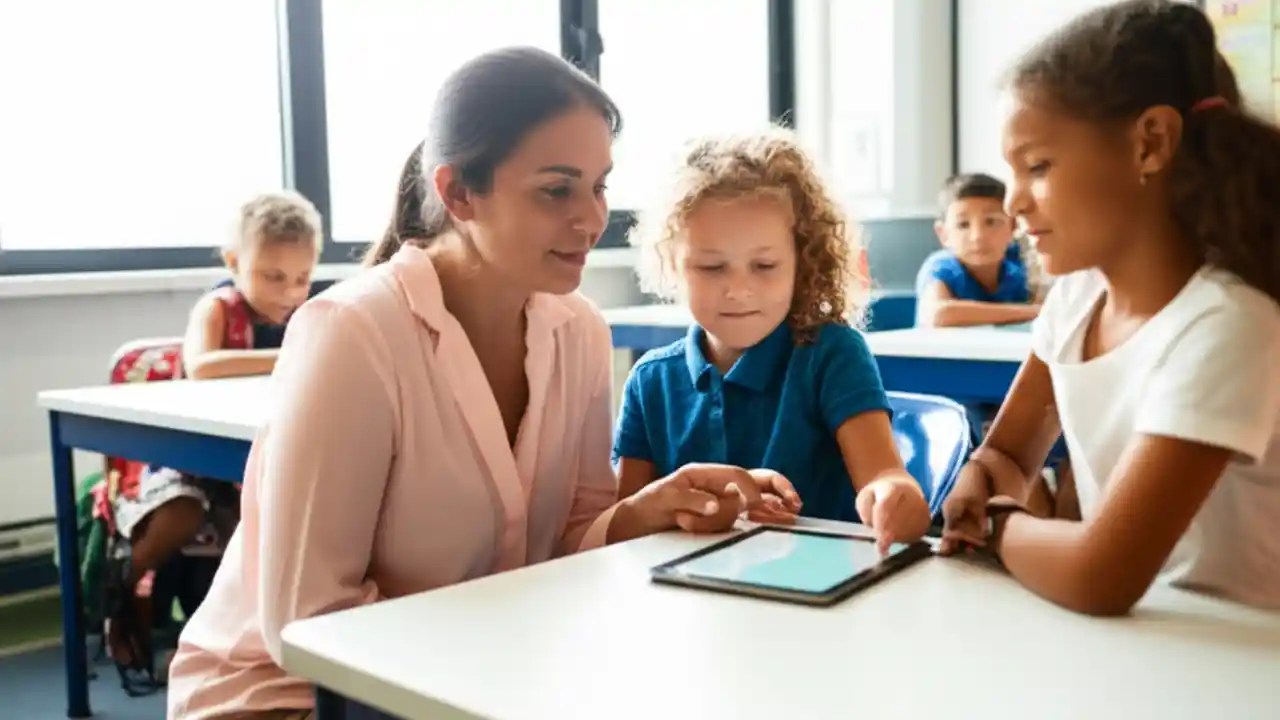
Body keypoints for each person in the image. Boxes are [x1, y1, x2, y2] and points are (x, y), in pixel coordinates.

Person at [167, 47, 798, 720]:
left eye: (599, 185)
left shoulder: (578, 330)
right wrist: (511, 662)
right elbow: (310, 621)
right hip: (292, 697)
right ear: (459, 193)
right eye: (557, 189)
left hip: (473, 677)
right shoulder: (354, 332)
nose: (591, 218)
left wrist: (642, 509)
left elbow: (568, 540)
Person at [940, 0, 1280, 615]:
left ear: (1150, 144)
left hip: (1242, 667)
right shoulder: (1076, 299)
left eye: (1038, 166)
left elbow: (1103, 574)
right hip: (1136, 648)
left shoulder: (1228, 322)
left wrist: (996, 526)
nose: (1014, 203)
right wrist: (981, 477)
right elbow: (1010, 454)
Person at [614, 128, 932, 551]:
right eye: (711, 267)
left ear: (803, 262)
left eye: (764, 265)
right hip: (690, 603)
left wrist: (894, 497)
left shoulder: (832, 354)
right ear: (672, 266)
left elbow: (886, 478)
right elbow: (620, 529)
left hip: (821, 592)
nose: (738, 289)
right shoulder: (650, 380)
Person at [105, 191, 322, 692]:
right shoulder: (219, 307)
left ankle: (267, 648)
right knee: (181, 513)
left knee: (284, 520)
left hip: (250, 454)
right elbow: (202, 365)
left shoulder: (304, 315)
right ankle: (122, 589)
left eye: (301, 278)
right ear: (233, 262)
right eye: (272, 276)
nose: (289, 292)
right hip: (182, 457)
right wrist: (293, 356)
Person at [915, 173, 1041, 328]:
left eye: (991, 222)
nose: (978, 236)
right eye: (963, 225)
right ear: (943, 234)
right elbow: (938, 314)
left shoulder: (1018, 267)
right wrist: (1033, 312)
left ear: (1013, 227)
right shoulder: (941, 266)